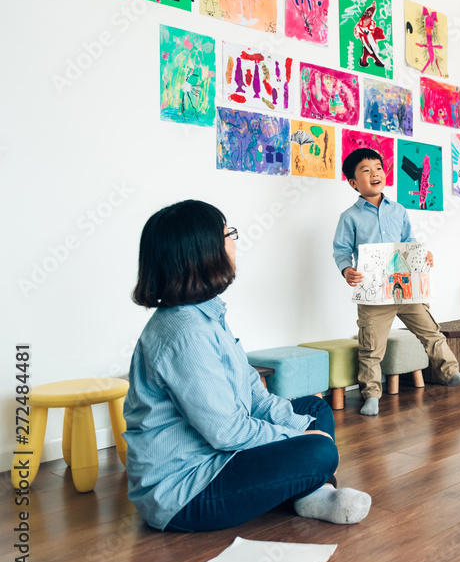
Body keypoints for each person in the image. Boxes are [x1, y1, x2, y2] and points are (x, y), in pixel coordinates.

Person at [124, 200, 371, 532]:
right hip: (187, 492)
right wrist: (299, 439)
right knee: (319, 450)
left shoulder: (207, 313)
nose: (234, 242)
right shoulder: (187, 334)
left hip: (220, 456)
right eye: (228, 233)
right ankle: (313, 485)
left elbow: (255, 396)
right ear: (203, 251)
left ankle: (311, 489)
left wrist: (301, 429)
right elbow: (228, 432)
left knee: (313, 408)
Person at [334, 148, 460, 416]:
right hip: (373, 294)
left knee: (430, 331)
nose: (375, 173)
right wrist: (346, 270)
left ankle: (451, 372)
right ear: (353, 183)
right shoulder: (349, 217)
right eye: (366, 170)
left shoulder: (397, 210)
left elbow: (409, 242)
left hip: (405, 287)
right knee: (372, 346)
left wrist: (424, 256)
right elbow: (341, 251)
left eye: (378, 167)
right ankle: (372, 394)